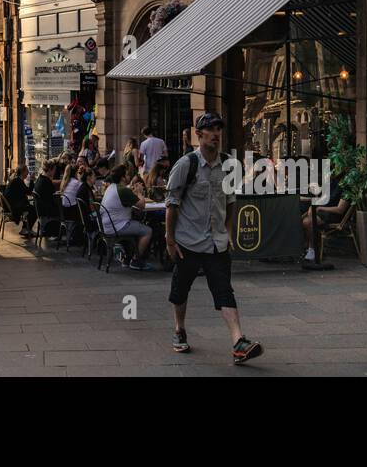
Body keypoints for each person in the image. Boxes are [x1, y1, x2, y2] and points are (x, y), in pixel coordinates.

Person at [164, 113, 262, 364]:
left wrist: (228, 231)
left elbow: (230, 202)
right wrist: (170, 240)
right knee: (180, 289)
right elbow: (172, 205)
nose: (216, 134)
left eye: (219, 129)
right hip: (188, 242)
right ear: (199, 134)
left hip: (216, 243)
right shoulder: (186, 164)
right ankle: (179, 329)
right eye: (210, 129)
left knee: (224, 291)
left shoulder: (229, 164)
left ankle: (238, 342)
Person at [100, 164, 153, 270]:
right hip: (117, 226)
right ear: (123, 177)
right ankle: (136, 260)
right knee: (147, 231)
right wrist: (139, 193)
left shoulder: (111, 187)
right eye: (127, 174)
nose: (129, 176)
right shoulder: (122, 190)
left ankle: (127, 258)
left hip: (107, 225)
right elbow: (142, 205)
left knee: (138, 224)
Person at [4, 165, 35, 235]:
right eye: (27, 171)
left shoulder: (16, 180)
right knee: (34, 209)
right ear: (23, 172)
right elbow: (29, 192)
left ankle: (25, 228)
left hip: (11, 205)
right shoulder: (18, 181)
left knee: (29, 207)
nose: (28, 173)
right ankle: (26, 229)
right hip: (14, 207)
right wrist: (32, 180)